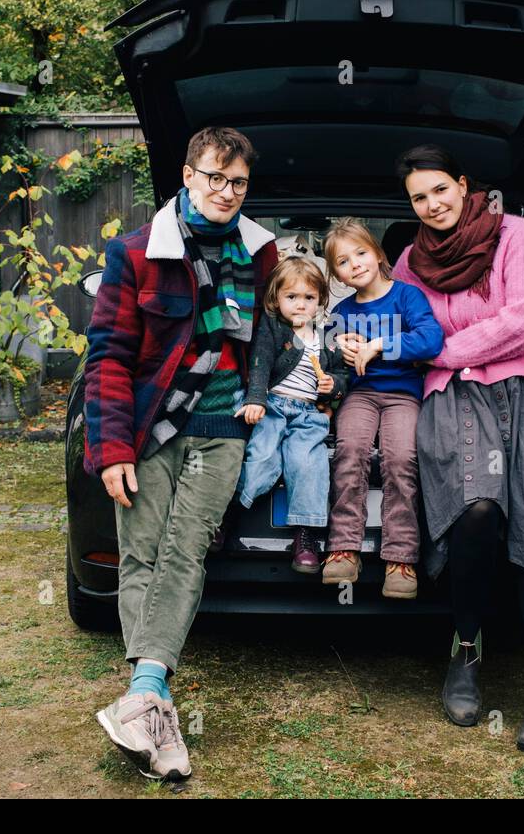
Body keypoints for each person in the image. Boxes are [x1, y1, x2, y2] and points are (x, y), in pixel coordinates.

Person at [389, 144, 524, 752]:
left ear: (463, 183)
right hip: (459, 401)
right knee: (476, 512)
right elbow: (399, 328)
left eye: (439, 190)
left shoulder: (515, 235)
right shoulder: (408, 263)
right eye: (418, 198)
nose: (432, 205)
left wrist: (441, 350)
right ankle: (466, 649)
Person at [83, 126, 279, 781]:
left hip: (223, 426)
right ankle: (153, 706)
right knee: (140, 550)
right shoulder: (137, 251)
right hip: (148, 427)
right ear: (188, 174)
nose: (226, 191)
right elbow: (108, 355)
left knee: (183, 547)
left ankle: (142, 695)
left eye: (239, 181)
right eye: (215, 176)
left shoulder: (261, 251)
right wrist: (112, 448)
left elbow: (271, 339)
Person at [322, 217, 444, 598]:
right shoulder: (341, 311)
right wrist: (337, 351)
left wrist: (379, 346)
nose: (355, 263)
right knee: (350, 452)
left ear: (377, 254)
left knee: (401, 458)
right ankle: (344, 547)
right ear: (337, 274)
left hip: (404, 396)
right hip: (360, 395)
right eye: (343, 261)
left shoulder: (407, 296)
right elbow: (324, 357)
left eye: (361, 253)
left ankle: (401, 557)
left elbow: (431, 339)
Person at [234, 256, 350, 573]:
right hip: (273, 406)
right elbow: (259, 363)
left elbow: (342, 376)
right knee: (262, 459)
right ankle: (227, 513)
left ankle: (305, 534)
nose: (300, 305)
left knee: (308, 465)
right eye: (292, 297)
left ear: (321, 301)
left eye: (309, 298)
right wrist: (256, 399)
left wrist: (332, 386)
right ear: (276, 299)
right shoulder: (274, 328)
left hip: (309, 412)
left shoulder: (327, 334)